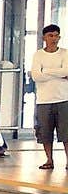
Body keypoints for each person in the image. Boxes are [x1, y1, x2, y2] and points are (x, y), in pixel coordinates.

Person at [30, 24, 68, 171]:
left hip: (63, 98)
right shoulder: (38, 55)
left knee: (66, 133)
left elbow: (67, 70)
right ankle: (49, 160)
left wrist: (45, 70)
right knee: (45, 133)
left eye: (56, 36)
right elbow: (36, 76)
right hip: (44, 100)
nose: (54, 39)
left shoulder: (65, 53)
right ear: (44, 37)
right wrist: (60, 74)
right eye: (51, 36)